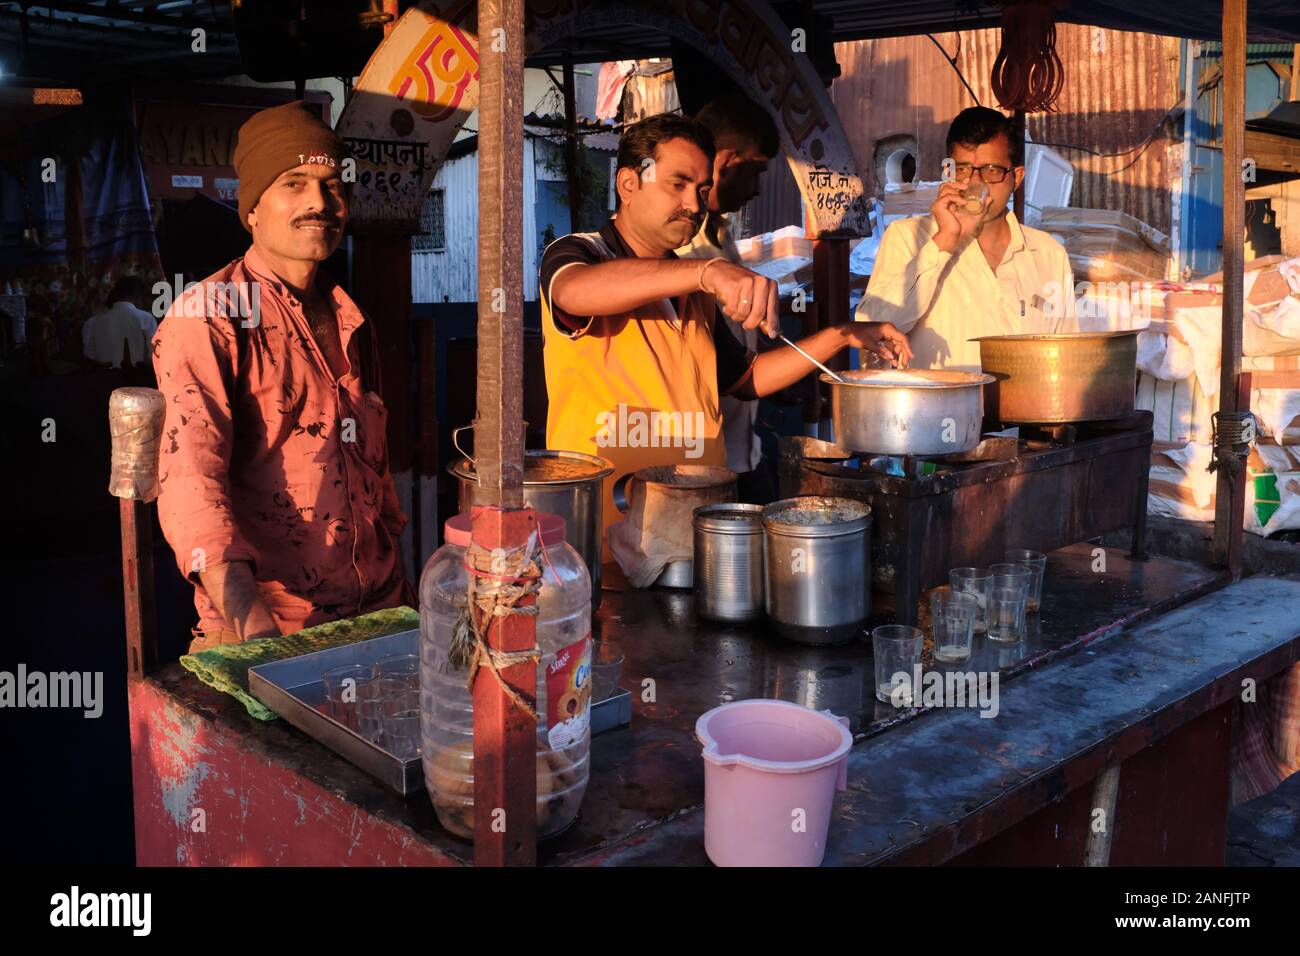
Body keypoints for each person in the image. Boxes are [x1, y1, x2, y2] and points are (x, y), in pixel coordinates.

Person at [539, 113, 911, 550]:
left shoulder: (689, 288)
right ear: (628, 184)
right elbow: (574, 293)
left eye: (700, 189)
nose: (695, 206)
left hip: (694, 529)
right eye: (677, 185)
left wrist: (843, 335)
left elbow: (746, 379)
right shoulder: (580, 252)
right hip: (604, 535)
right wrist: (709, 271)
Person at [152, 101, 409, 652]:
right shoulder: (210, 316)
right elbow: (191, 482)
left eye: (333, 185)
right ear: (251, 209)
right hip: (271, 631)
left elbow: (377, 473)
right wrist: (251, 622)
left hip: (381, 617)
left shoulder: (351, 318)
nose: (319, 202)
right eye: (294, 183)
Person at [856, 107, 1076, 371]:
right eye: (963, 169)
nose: (975, 182)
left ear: (1015, 178)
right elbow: (872, 333)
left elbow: (1066, 356)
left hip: (1021, 411)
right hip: (935, 410)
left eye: (991, 170)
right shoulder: (907, 238)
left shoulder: (1048, 254)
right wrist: (945, 240)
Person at [675, 94, 779, 503]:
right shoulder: (681, 253)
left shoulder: (719, 237)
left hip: (743, 452)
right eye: (755, 172)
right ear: (725, 162)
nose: (755, 189)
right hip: (700, 466)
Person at [83, 275, 156, 367]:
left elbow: (89, 359)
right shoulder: (146, 318)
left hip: (103, 379)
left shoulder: (92, 322)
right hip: (138, 379)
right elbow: (155, 356)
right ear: (137, 296)